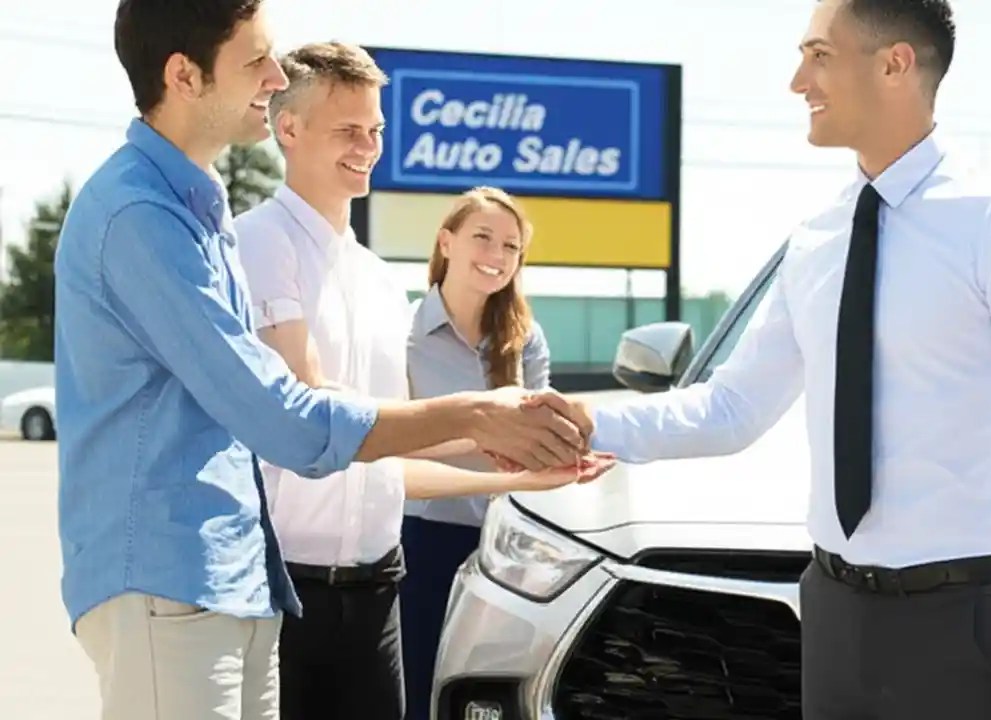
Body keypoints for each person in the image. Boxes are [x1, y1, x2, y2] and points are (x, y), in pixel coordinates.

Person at [53, 3, 592, 719]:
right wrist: (476, 415)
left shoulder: (196, 211)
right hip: (170, 580)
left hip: (240, 583)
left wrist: (515, 450)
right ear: (183, 75)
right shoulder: (143, 218)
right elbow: (284, 416)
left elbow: (327, 441)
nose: (275, 79)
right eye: (256, 61)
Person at [571, 1, 991, 718]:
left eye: (819, 55)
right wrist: (582, 424)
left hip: (960, 624)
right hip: (831, 613)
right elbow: (731, 408)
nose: (798, 81)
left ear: (895, 64)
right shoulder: (816, 239)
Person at [232, 42, 613, 720]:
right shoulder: (258, 242)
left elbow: (389, 455)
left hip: (379, 592)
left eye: (376, 130)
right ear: (287, 129)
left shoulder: (380, 282)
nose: (369, 145)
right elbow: (313, 411)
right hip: (282, 593)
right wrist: (478, 412)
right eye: (349, 129)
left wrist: (523, 476)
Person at [397, 186, 557, 719]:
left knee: (490, 700)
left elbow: (538, 442)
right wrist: (485, 433)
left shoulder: (525, 340)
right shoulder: (402, 336)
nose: (497, 256)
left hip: (505, 548)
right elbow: (393, 442)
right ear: (446, 242)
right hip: (421, 543)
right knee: (417, 693)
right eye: (483, 237)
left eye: (511, 247)